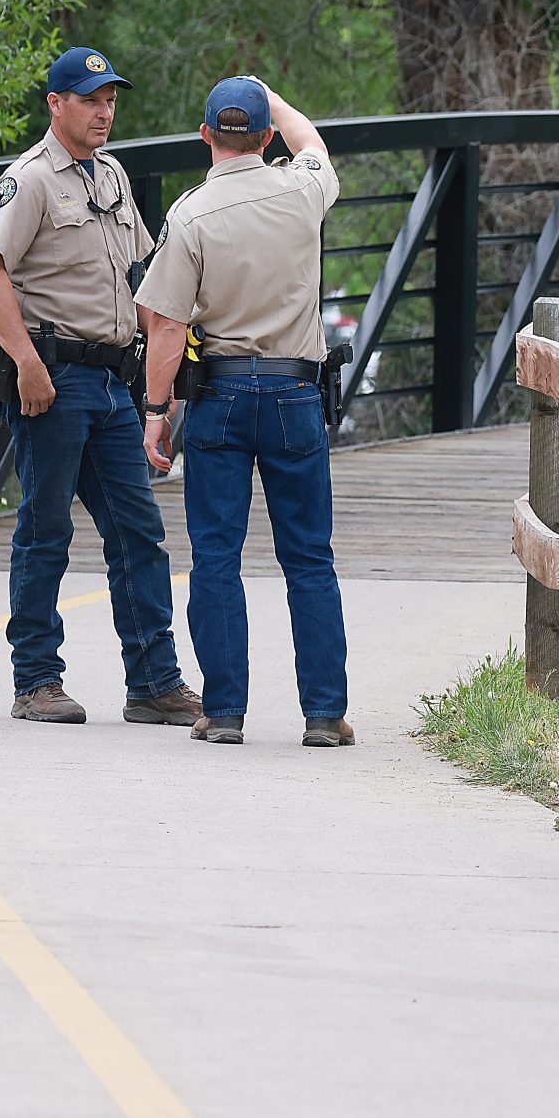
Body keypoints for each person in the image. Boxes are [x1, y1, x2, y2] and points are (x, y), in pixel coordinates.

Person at [0, 47, 199, 727]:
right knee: (45, 531)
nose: (104, 112)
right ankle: (36, 679)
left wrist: (167, 374)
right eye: (90, 100)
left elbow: (145, 274)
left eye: (110, 101)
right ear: (56, 105)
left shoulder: (112, 175)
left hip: (111, 380)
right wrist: (26, 364)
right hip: (54, 378)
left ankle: (153, 681)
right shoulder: (31, 180)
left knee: (140, 530)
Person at [136, 77, 352, 748]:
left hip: (220, 397)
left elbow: (168, 329)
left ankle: (224, 710)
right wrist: (271, 93)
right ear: (264, 138)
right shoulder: (303, 190)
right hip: (294, 394)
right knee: (309, 558)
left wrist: (154, 412)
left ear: (205, 136)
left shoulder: (191, 214)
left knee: (217, 554)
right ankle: (323, 714)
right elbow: (312, 141)